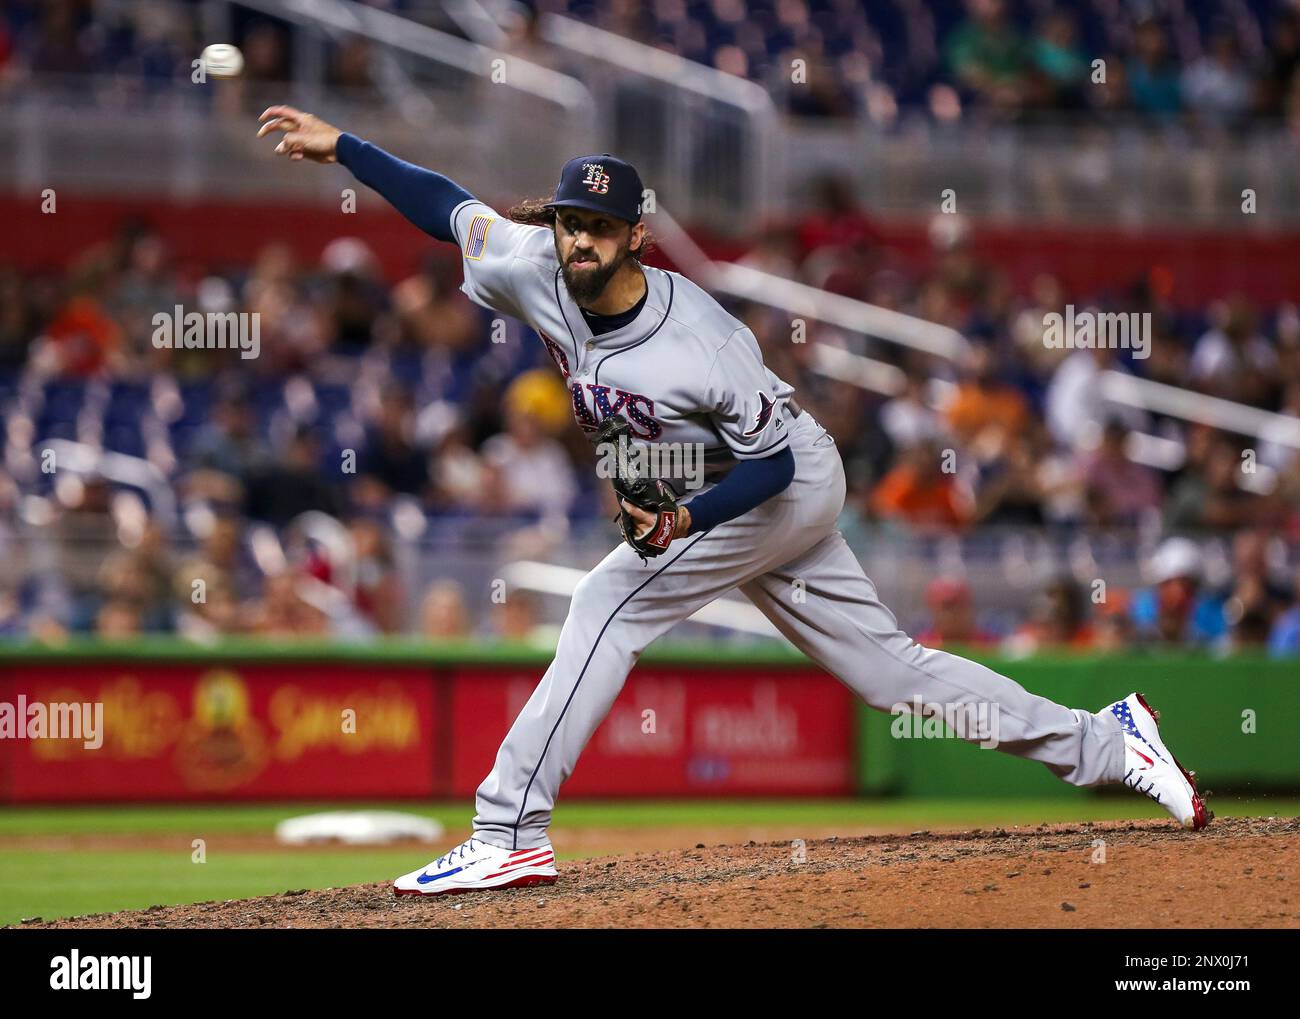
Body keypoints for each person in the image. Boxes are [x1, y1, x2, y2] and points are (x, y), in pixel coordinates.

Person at [257, 105, 1211, 896]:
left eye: (596, 226)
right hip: (721, 489)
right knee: (894, 676)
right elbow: (445, 207)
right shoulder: (531, 261)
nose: (576, 239)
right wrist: (343, 146)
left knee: (605, 602)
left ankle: (509, 829)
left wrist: (679, 521)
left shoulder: (697, 338)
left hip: (782, 478)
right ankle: (1109, 739)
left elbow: (775, 474)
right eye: (566, 221)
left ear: (637, 233)